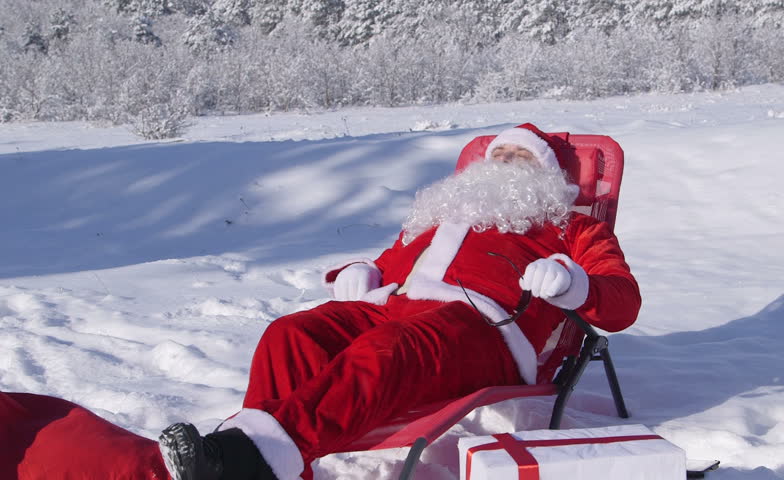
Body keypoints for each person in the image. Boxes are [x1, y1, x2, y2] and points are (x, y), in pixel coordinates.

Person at [158, 123, 641, 480]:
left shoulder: (571, 227)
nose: (507, 162)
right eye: (501, 153)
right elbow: (388, 264)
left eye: (523, 157)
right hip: (393, 309)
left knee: (392, 347)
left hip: (481, 329)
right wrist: (361, 272)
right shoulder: (442, 218)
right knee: (289, 334)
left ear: (548, 177)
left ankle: (239, 459)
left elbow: (623, 300)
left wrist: (573, 283)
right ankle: (263, 468)